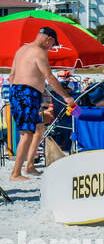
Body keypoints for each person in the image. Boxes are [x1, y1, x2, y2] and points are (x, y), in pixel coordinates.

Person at [8, 27, 76, 181]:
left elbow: (12, 75)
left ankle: (30, 166)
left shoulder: (21, 50)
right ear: (48, 39)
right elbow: (50, 77)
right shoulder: (39, 52)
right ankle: (15, 173)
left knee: (39, 129)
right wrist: (65, 97)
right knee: (27, 133)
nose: (51, 48)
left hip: (19, 92)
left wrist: (17, 92)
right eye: (52, 45)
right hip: (27, 94)